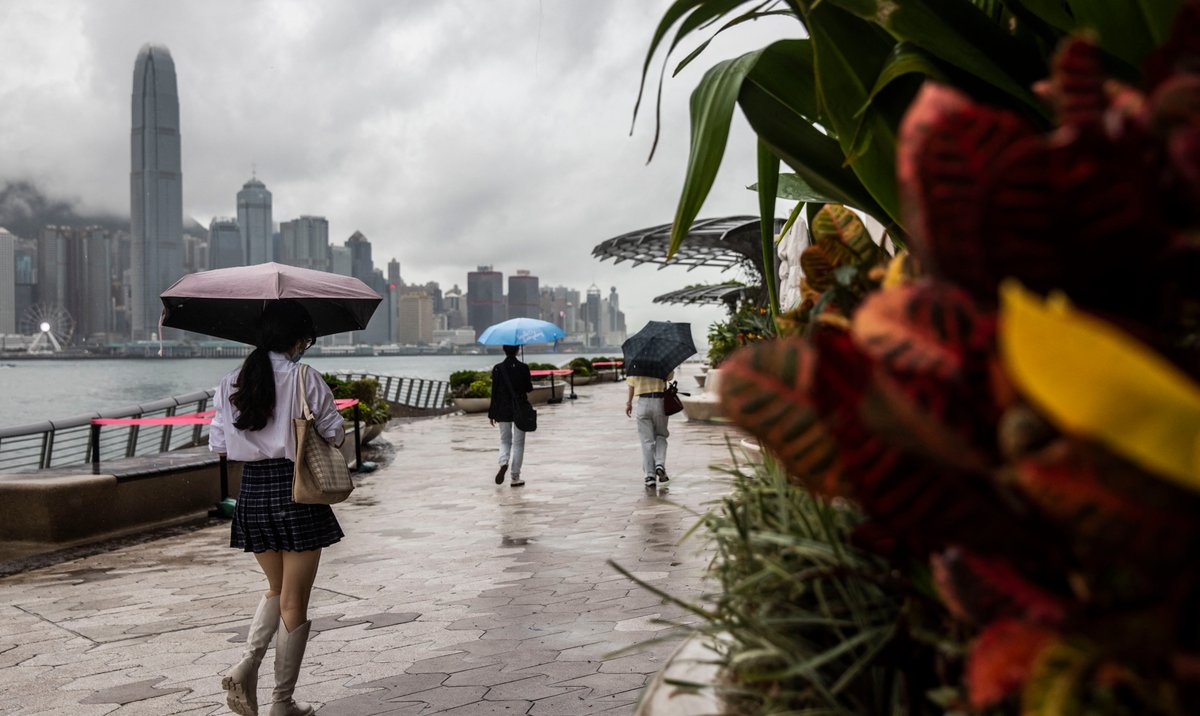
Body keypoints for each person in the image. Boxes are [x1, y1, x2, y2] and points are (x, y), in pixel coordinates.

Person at [209, 299, 345, 716]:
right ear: (297, 338)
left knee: (276, 588)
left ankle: (246, 667)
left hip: (252, 495)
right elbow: (335, 433)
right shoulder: (305, 377)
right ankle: (279, 702)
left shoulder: (232, 380)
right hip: (298, 493)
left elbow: (218, 444)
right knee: (295, 602)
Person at [488, 344, 533, 487]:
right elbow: (528, 389)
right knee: (519, 444)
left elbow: (494, 393)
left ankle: (503, 462)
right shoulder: (523, 367)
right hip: (519, 409)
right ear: (518, 350)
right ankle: (515, 477)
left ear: (503, 349)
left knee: (505, 440)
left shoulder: (497, 368)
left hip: (502, 409)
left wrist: (492, 413)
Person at [625, 370, 674, 488]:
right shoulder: (662, 362)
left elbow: (631, 385)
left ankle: (650, 476)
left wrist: (629, 403)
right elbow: (670, 377)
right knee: (661, 435)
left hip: (643, 403)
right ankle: (660, 464)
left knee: (646, 441)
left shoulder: (636, 364)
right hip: (660, 402)